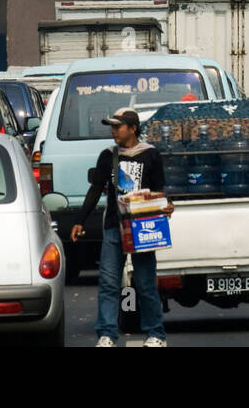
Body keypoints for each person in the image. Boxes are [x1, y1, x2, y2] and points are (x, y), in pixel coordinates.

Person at [71, 107, 174, 347]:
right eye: (112, 127)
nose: (113, 132)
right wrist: (79, 220)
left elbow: (159, 189)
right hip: (114, 227)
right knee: (108, 282)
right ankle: (106, 334)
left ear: (133, 128)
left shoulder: (150, 155)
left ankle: (156, 334)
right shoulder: (108, 155)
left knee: (146, 283)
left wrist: (166, 205)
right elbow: (95, 189)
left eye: (118, 127)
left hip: (143, 227)